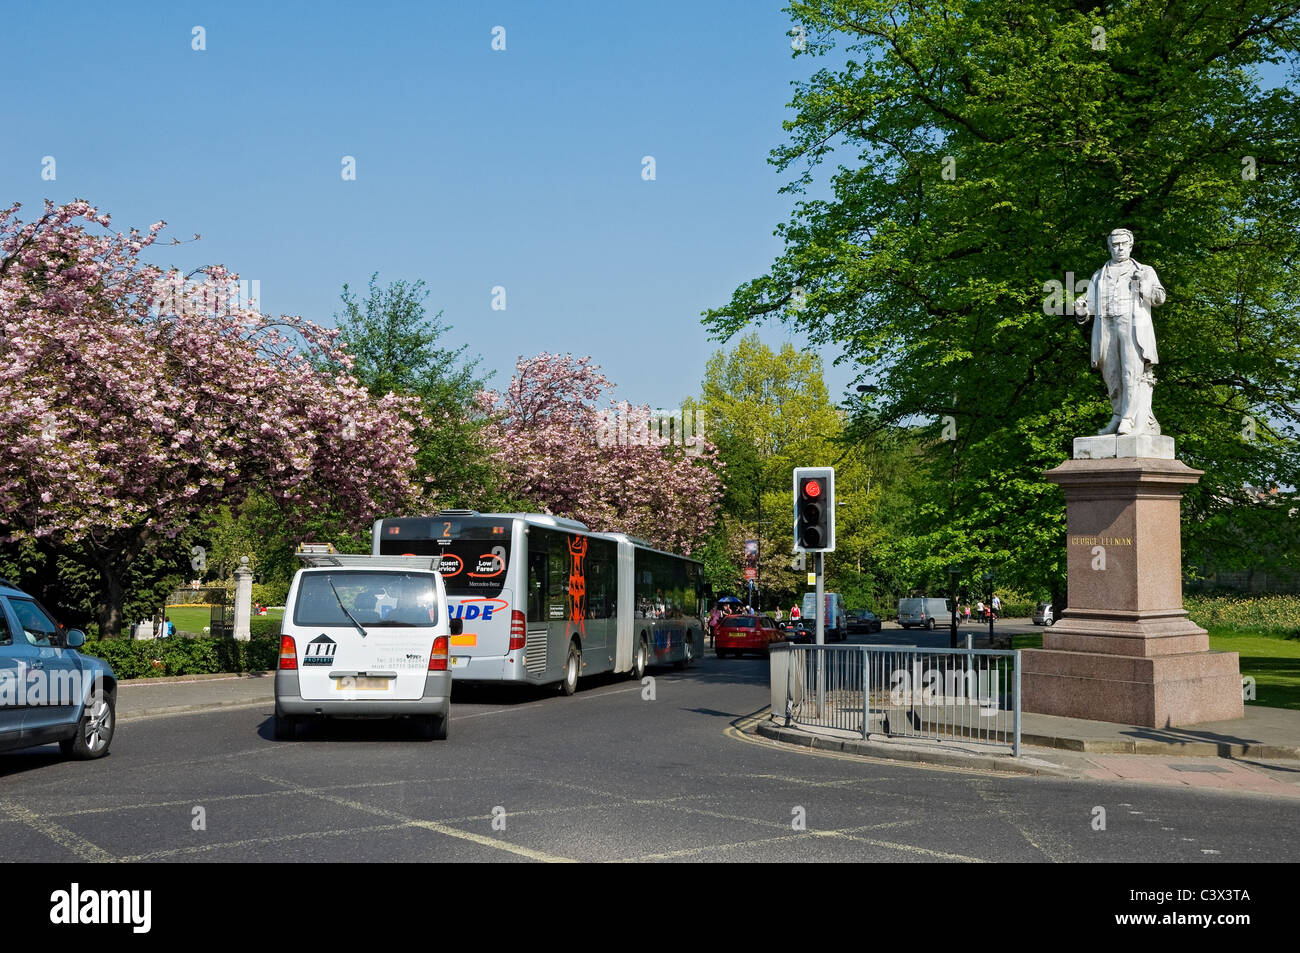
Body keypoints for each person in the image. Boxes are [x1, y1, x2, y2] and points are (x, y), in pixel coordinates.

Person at [1074, 228, 1166, 436]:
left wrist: (1144, 287)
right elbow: (1089, 305)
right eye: (1115, 244)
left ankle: (1128, 419)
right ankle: (1117, 415)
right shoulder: (1099, 275)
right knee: (1111, 375)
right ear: (1109, 247)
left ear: (1131, 245)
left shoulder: (1145, 270)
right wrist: (1082, 311)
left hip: (1132, 326)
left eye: (1123, 243)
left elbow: (1160, 297)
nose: (1120, 248)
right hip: (1106, 327)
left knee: (1130, 372)